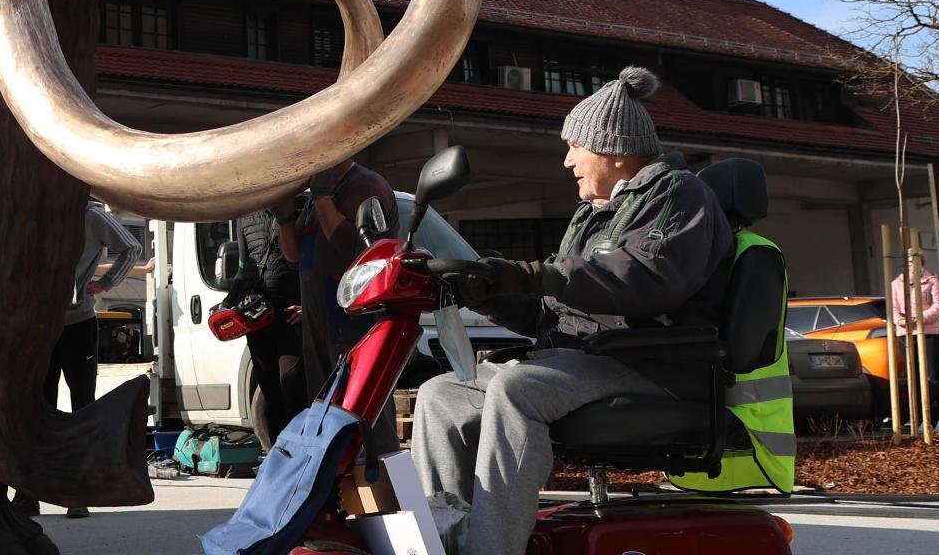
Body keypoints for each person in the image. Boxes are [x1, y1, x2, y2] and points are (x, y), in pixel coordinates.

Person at [411, 67, 732, 555]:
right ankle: (446, 542)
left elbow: (646, 280)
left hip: (647, 363)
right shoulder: (594, 214)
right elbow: (552, 308)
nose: (567, 161)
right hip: (578, 358)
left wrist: (532, 272)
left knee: (520, 389)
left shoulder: (677, 195)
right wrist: (490, 294)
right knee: (442, 395)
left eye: (574, 148)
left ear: (614, 150)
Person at [12, 200, 140, 519]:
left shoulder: (90, 216)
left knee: (83, 405)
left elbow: (131, 247)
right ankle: (29, 492)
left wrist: (105, 283)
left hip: (78, 323)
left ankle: (78, 492)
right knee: (39, 404)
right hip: (40, 323)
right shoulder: (36, 212)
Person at [278, 158, 397, 430]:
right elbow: (294, 257)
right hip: (321, 322)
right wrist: (284, 218)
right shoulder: (315, 196)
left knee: (365, 410)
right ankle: (337, 469)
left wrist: (322, 197)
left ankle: (381, 470)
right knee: (325, 408)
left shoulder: (365, 186)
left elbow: (356, 249)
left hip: (354, 323)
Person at [222, 206, 307, 443]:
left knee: (293, 388)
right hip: (257, 319)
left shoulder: (303, 208)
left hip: (292, 318)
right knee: (271, 395)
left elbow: (315, 266)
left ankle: (301, 459)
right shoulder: (245, 217)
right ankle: (276, 460)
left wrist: (309, 309)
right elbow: (244, 269)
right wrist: (227, 303)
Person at [891, 263, 939, 389]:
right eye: (908, 261)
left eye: (913, 260)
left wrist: (919, 318)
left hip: (929, 333)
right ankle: (917, 406)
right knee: (913, 378)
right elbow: (893, 308)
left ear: (921, 262)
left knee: (934, 377)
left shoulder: (932, 280)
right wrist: (901, 321)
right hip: (906, 334)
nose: (910, 264)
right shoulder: (896, 283)